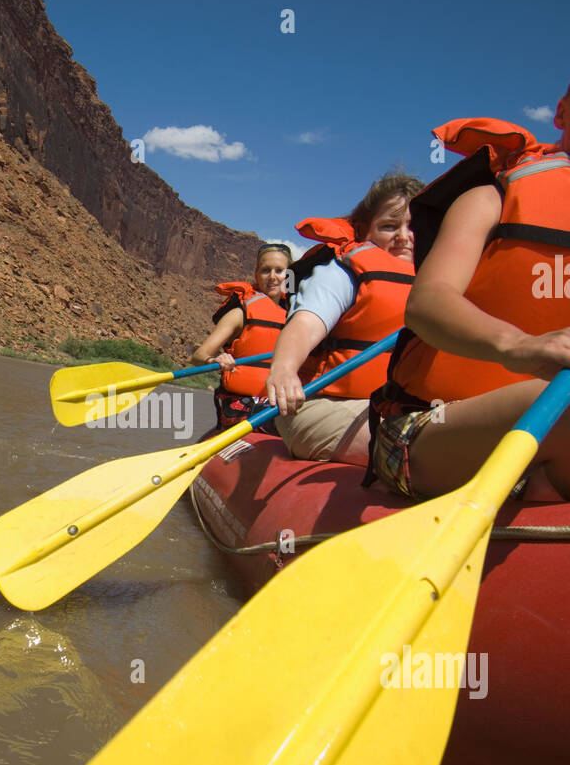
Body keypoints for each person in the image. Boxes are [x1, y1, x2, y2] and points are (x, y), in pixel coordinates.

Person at [366, 91, 570, 501]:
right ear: (563, 111)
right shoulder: (489, 198)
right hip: (425, 432)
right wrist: (519, 346)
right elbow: (427, 304)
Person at [264, 172, 424, 464]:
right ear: (365, 231)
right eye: (390, 226)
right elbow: (305, 325)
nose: (404, 237)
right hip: (324, 405)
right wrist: (284, 368)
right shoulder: (341, 274)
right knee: (430, 448)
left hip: (402, 410)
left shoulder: (445, 284)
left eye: (415, 227)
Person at [190, 242, 292, 430]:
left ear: (289, 275)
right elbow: (197, 356)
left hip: (280, 402)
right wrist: (216, 359)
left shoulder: (298, 316)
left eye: (279, 271)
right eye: (265, 270)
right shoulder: (240, 313)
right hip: (241, 404)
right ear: (256, 274)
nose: (272, 277)